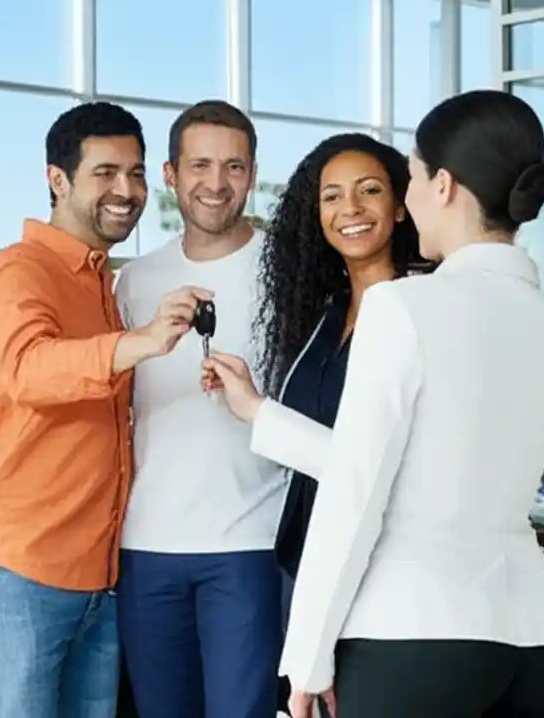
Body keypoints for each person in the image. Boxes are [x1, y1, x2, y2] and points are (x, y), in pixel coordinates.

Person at [207, 89, 544, 717]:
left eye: (411, 177)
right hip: (538, 641)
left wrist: (306, 658)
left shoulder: (402, 307)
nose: (406, 197)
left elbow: (357, 489)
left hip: (413, 633)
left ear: (444, 186)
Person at [0, 101, 210, 718]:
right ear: (58, 180)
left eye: (137, 172)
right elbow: (28, 369)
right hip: (24, 569)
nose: (126, 191)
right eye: (105, 173)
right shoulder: (19, 272)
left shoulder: (103, 283)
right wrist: (141, 342)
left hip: (98, 577)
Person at [200, 130, 425, 715]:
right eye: (331, 197)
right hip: (304, 566)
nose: (349, 209)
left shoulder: (423, 312)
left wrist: (257, 412)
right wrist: (248, 397)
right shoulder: (326, 317)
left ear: (401, 205)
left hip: (382, 571)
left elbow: (375, 468)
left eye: (369, 191)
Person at [113, 99, 286, 718]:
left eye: (234, 167)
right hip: (147, 545)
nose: (216, 184)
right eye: (201, 165)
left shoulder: (286, 270)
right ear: (169, 174)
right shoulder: (134, 279)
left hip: (250, 541)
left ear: (254, 173)